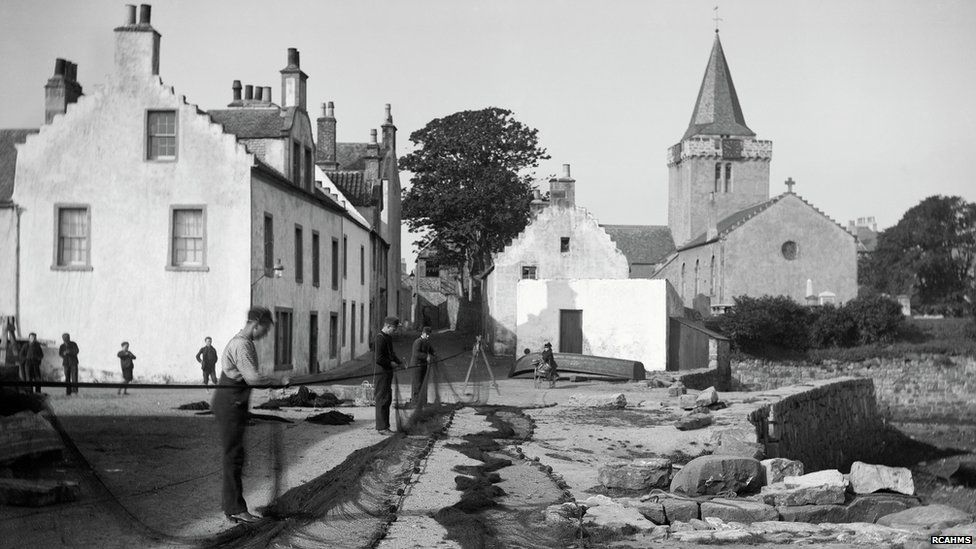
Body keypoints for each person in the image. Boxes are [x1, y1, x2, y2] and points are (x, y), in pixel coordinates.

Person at [212, 306, 283, 524]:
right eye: (267, 329)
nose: (266, 334)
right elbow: (252, 379)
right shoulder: (242, 345)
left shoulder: (242, 341)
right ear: (257, 324)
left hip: (233, 403)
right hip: (230, 403)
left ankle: (231, 507)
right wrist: (277, 381)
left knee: (235, 455)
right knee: (233, 456)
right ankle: (236, 509)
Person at [373, 316, 403, 435]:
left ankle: (385, 426)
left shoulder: (388, 338)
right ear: (388, 326)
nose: (395, 331)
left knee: (387, 398)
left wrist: (399, 362)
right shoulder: (379, 338)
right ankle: (382, 428)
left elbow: (392, 354)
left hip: (388, 373)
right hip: (381, 373)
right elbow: (379, 359)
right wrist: (392, 364)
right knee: (382, 399)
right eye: (394, 329)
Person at [409, 327, 437, 406]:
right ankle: (415, 402)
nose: (428, 336)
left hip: (424, 366)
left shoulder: (427, 342)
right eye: (426, 334)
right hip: (416, 366)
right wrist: (426, 356)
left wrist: (434, 354)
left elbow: (432, 350)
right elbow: (416, 354)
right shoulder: (418, 342)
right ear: (423, 333)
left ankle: (423, 401)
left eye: (429, 335)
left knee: (423, 384)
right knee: (417, 384)